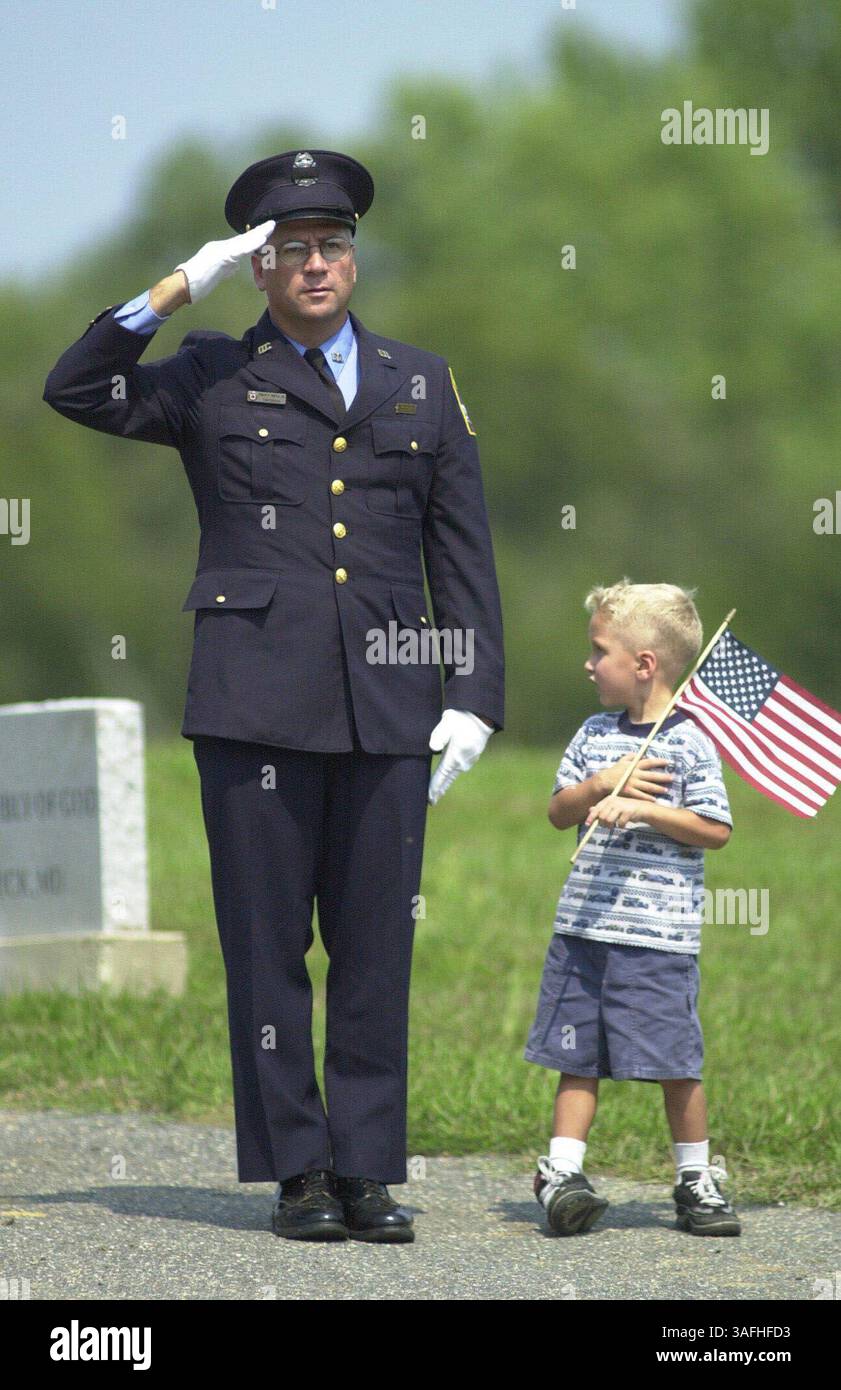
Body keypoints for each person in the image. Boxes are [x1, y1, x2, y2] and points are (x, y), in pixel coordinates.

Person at [42, 149, 504, 1243]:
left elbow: (462, 551)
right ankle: (299, 1169)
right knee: (265, 945)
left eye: (330, 246)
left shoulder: (421, 381)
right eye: (288, 250)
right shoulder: (210, 372)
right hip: (254, 700)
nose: (313, 265)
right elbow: (75, 388)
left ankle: (367, 1168)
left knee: (374, 946)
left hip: (389, 701)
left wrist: (473, 692)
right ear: (258, 269)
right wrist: (175, 286)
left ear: (354, 258)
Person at [523, 579, 740, 1237]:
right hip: (584, 930)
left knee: (675, 1062)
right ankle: (560, 1174)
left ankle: (695, 1179)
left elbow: (714, 828)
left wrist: (642, 807)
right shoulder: (593, 735)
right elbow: (558, 812)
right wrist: (598, 785)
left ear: (642, 664)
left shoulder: (690, 742)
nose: (588, 665)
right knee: (576, 1055)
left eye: (599, 651)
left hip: (657, 939)